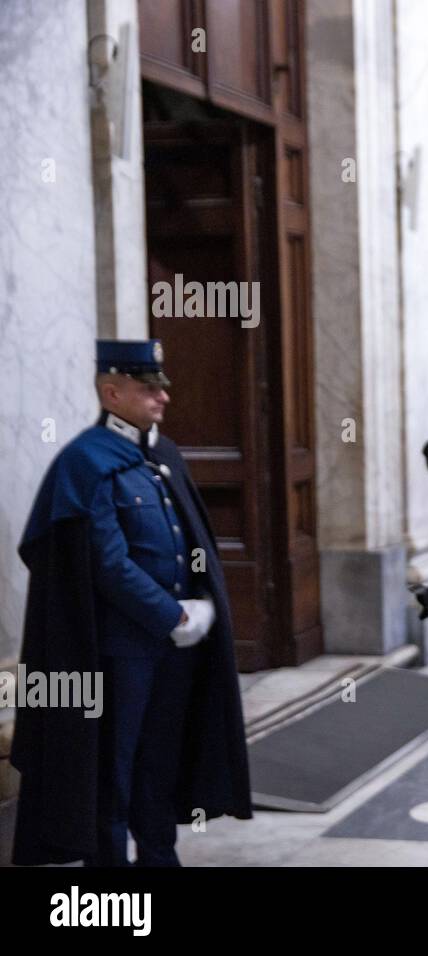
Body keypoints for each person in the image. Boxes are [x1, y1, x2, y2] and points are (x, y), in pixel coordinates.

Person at [12, 339, 250, 866]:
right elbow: (107, 562)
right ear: (111, 391)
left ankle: (160, 860)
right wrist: (175, 614)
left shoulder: (160, 455)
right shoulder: (85, 462)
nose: (162, 399)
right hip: (117, 654)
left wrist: (200, 599)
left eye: (161, 389)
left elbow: (187, 543)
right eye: (148, 390)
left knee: (159, 764)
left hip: (172, 652)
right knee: (111, 773)